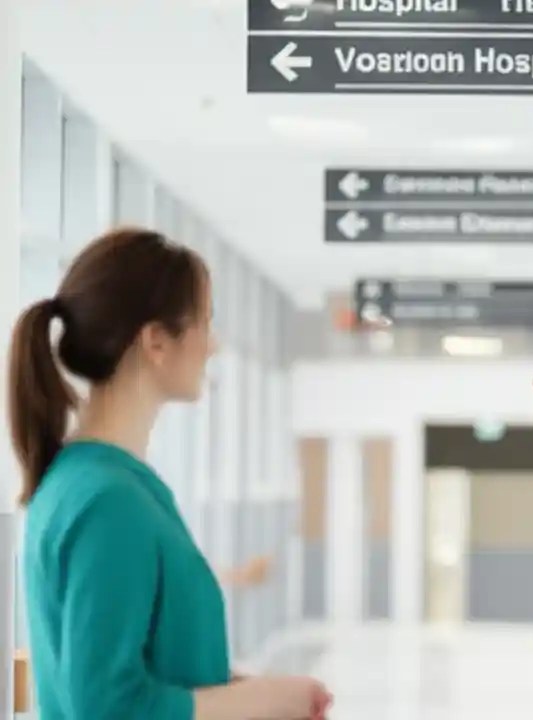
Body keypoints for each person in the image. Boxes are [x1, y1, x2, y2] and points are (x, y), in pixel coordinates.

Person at [7, 228, 333, 719]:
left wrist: (250, 696)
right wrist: (261, 700)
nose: (215, 345)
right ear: (157, 341)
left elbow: (137, 672)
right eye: (206, 322)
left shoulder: (97, 482)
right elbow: (107, 709)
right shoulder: (108, 501)